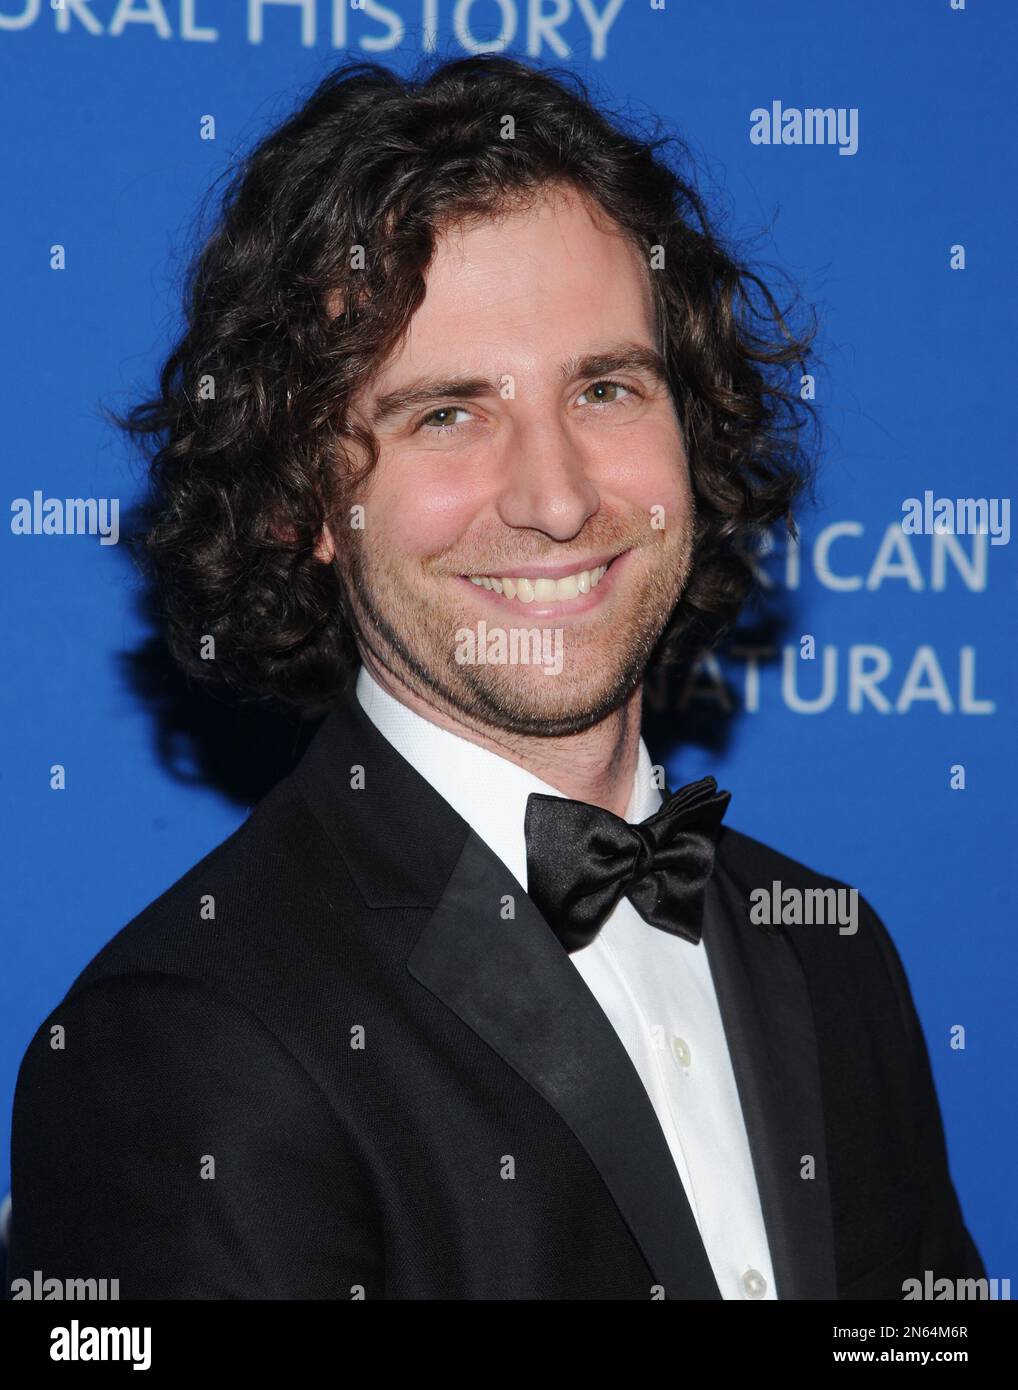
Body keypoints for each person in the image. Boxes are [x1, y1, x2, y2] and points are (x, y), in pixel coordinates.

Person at [7, 54, 983, 1301]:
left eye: (607, 388)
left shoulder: (831, 953)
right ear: (308, 497)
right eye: (448, 415)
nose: (560, 497)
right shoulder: (188, 1042)